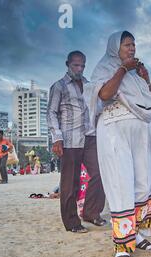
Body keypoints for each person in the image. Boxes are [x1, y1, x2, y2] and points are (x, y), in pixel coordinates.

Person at [85, 31, 151, 257]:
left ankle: (135, 232)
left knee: (142, 184)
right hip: (114, 132)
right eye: (127, 45)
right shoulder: (105, 67)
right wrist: (122, 68)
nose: (132, 48)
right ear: (115, 47)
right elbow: (104, 94)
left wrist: (145, 77)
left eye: (134, 44)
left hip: (141, 132)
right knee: (121, 184)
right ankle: (121, 245)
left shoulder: (136, 74)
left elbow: (149, 101)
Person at [47, 50, 106, 234]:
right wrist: (56, 138)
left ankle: (90, 212)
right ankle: (72, 222)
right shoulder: (59, 86)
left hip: (90, 137)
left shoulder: (89, 85)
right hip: (69, 139)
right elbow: (51, 113)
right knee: (69, 182)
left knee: (100, 172)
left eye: (82, 65)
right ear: (68, 64)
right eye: (75, 65)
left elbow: (97, 108)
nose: (79, 69)